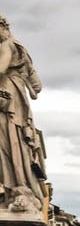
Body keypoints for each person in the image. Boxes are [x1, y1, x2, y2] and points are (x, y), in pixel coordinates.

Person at [0, 15, 47, 212]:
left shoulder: (6, 45)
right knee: (15, 142)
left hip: (6, 96)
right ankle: (19, 186)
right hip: (17, 98)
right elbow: (38, 85)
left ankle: (16, 186)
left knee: (8, 141)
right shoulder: (20, 47)